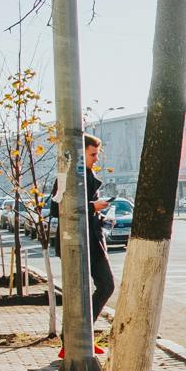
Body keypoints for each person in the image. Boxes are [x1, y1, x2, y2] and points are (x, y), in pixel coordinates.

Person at [84, 134, 115, 318]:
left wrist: (102, 218)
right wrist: (92, 207)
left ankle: (84, 330)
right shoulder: (72, 177)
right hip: (82, 243)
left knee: (106, 286)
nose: (96, 159)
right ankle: (78, 332)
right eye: (93, 154)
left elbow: (88, 212)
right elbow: (59, 209)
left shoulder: (89, 175)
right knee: (104, 286)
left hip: (93, 242)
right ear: (81, 153)